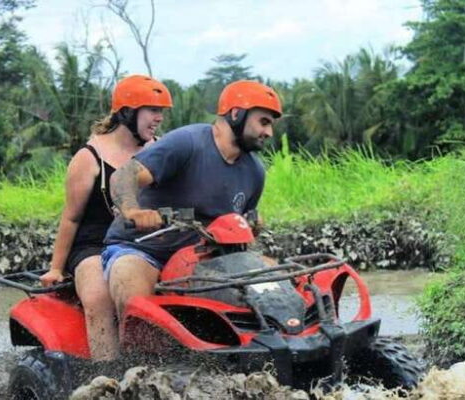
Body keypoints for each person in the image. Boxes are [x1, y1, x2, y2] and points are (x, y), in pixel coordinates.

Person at [103, 79, 282, 316]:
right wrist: (133, 211)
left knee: (277, 281)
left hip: (206, 259)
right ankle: (134, 340)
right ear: (236, 114)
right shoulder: (187, 142)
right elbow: (125, 176)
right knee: (135, 298)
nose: (269, 133)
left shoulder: (255, 172)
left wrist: (252, 226)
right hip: (145, 250)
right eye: (263, 122)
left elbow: (240, 230)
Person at [38, 74, 173, 360]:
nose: (159, 118)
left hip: (146, 243)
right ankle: (107, 373)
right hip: (94, 246)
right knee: (99, 297)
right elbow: (71, 218)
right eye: (152, 110)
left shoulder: (162, 151)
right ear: (127, 113)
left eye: (161, 111)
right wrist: (55, 268)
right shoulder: (89, 157)